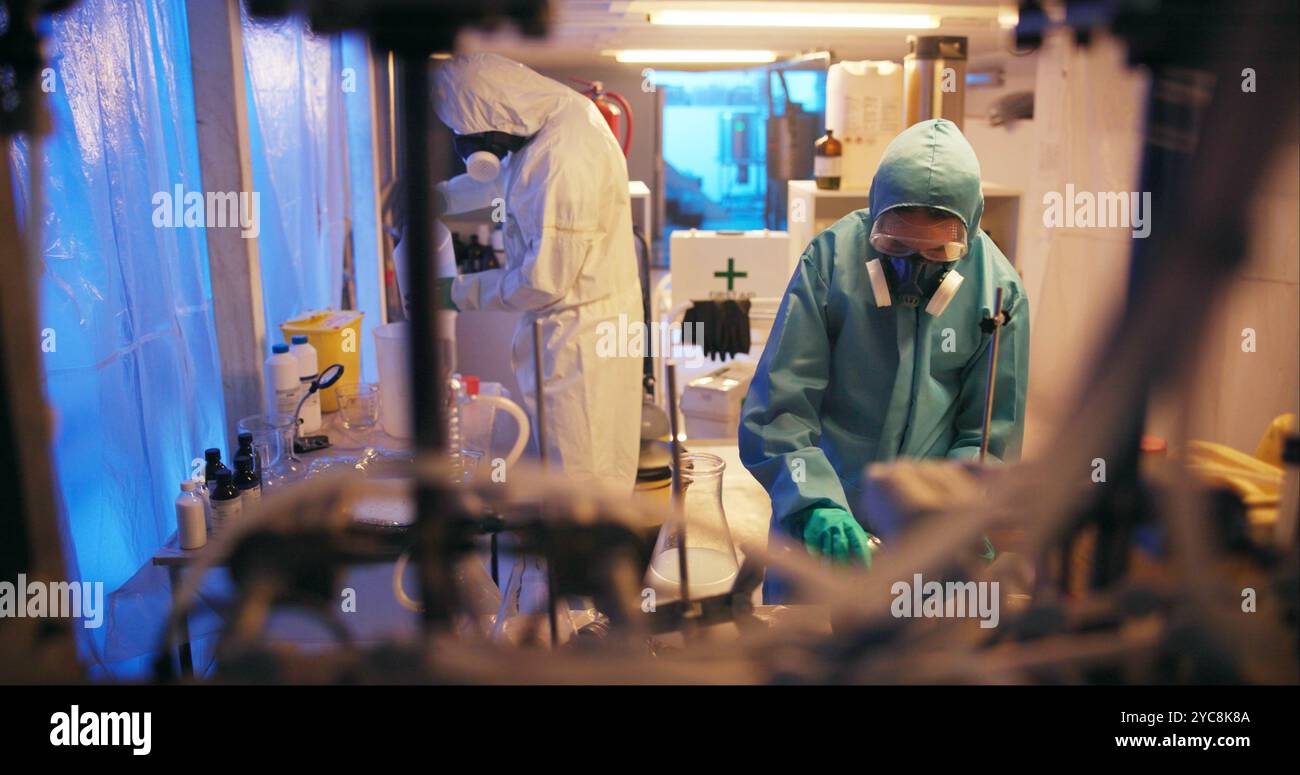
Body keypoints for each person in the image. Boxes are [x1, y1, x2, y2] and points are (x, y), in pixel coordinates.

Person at [739, 118, 1029, 591]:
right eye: (894, 245)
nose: (908, 267)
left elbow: (988, 437)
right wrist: (814, 505)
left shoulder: (997, 293)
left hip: (928, 540)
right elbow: (780, 409)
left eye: (936, 252)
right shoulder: (831, 262)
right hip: (820, 529)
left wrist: (955, 516)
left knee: (918, 661)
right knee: (800, 652)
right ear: (874, 214)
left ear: (969, 229)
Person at [431, 53, 643, 491]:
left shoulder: (566, 156)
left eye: (471, 138)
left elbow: (541, 281)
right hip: (572, 324)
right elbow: (506, 179)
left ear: (491, 117)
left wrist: (458, 293)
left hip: (583, 339)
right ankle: (574, 553)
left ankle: (586, 559)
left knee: (583, 475)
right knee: (566, 466)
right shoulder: (545, 123)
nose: (473, 149)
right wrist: (443, 198)